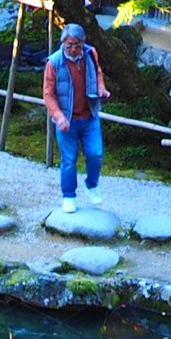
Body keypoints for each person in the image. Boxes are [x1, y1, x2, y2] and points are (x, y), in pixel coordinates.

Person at [43, 22, 110, 213]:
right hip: (67, 119)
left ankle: (92, 185)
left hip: (89, 116)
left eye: (77, 45)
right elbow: (48, 94)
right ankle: (68, 196)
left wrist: (101, 88)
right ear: (63, 43)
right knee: (69, 159)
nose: (73, 49)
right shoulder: (54, 62)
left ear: (83, 43)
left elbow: (97, 73)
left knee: (95, 153)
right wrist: (59, 116)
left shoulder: (90, 54)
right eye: (69, 45)